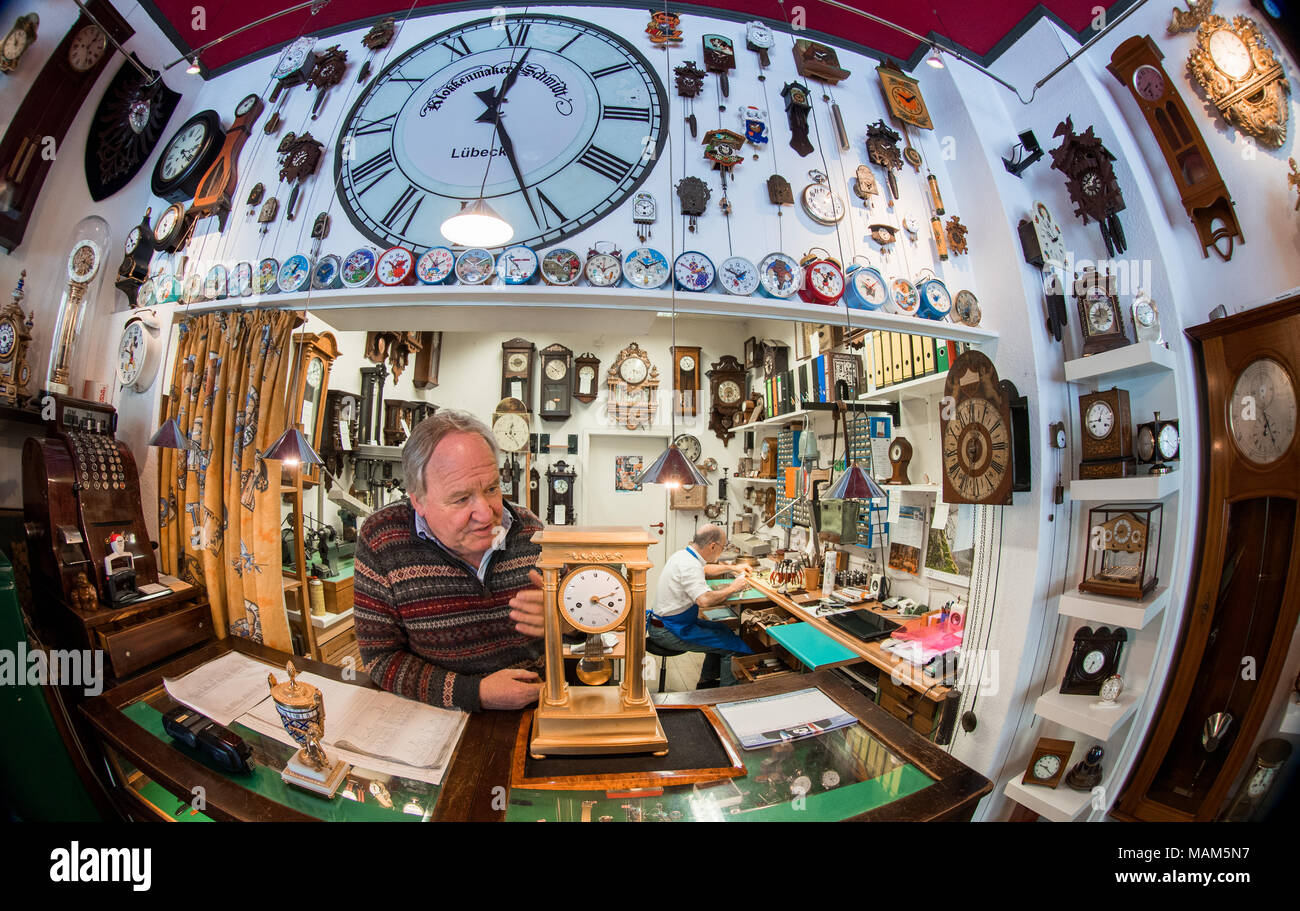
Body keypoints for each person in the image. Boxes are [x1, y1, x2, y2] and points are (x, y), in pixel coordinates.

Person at [353, 410, 547, 712]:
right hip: (437, 720)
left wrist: (562, 621)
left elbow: (582, 623)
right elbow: (381, 658)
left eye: (492, 488)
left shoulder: (530, 532)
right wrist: (475, 693)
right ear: (418, 499)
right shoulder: (383, 540)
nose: (486, 514)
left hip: (533, 712)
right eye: (460, 499)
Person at [649, 525, 753, 688]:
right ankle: (726, 697)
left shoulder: (683, 556)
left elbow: (704, 569)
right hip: (668, 631)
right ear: (713, 546)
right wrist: (733, 587)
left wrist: (733, 567)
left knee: (724, 630)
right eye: (722, 547)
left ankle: (707, 683)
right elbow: (704, 600)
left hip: (670, 623)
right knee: (733, 647)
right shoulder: (689, 565)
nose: (722, 550)